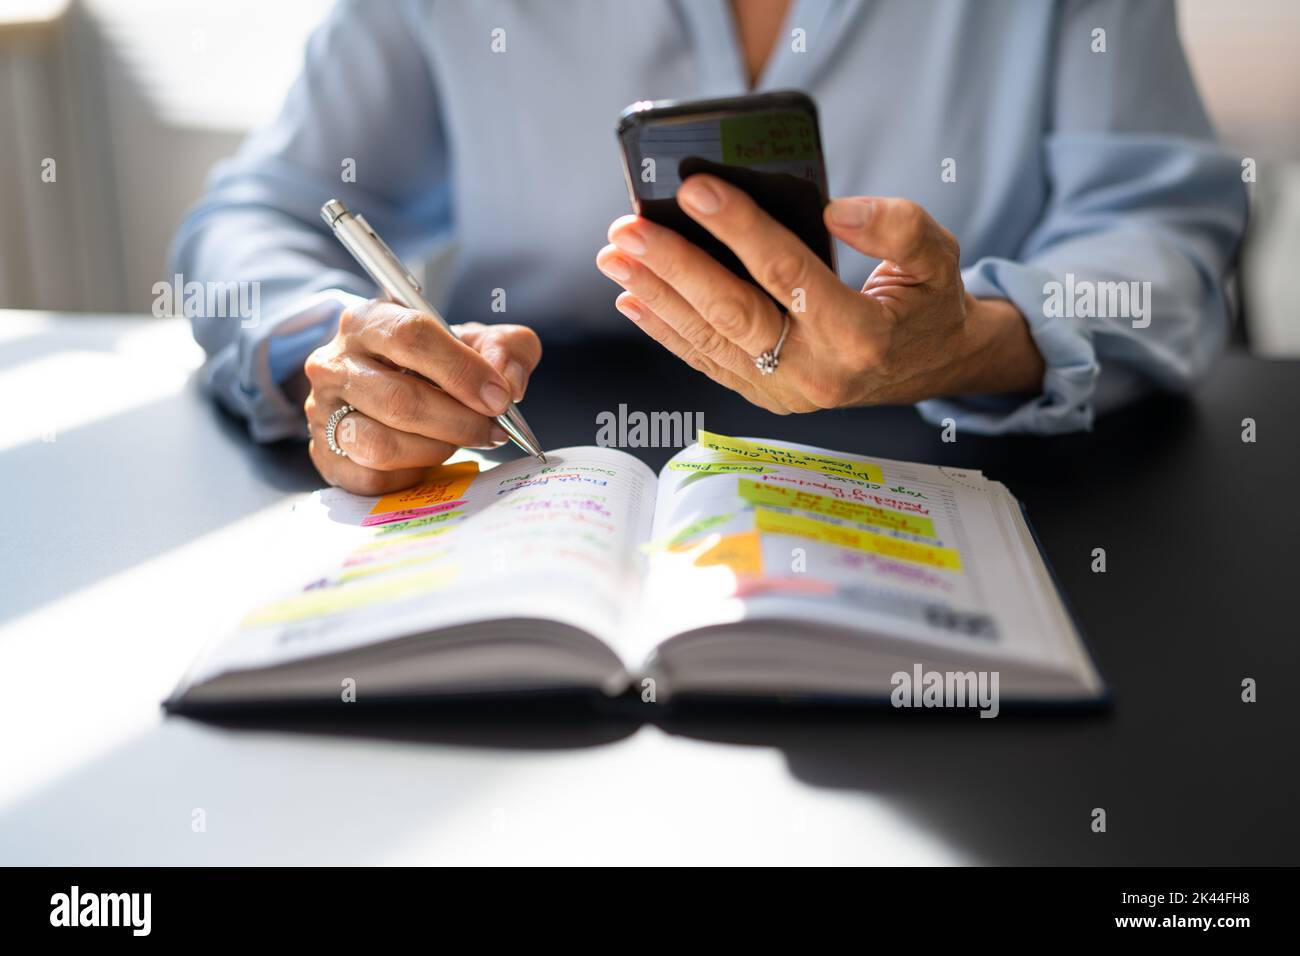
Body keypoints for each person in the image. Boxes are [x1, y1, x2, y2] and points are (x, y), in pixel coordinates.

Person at [171, 0, 1247, 495]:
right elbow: (253, 217)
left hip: (1014, 485)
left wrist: (976, 340)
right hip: (543, 471)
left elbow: (1160, 245)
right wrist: (332, 343)